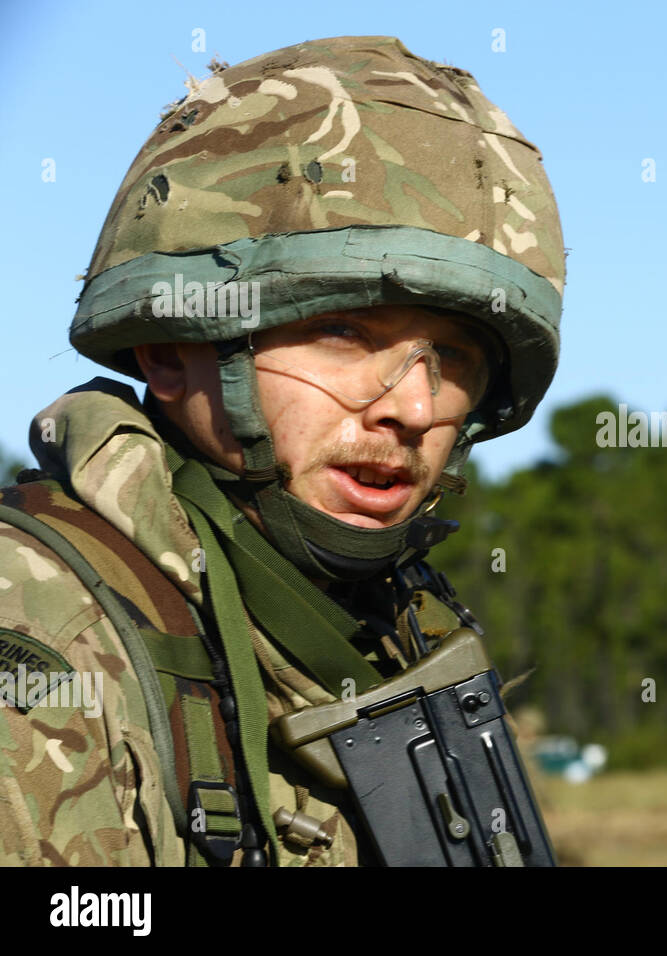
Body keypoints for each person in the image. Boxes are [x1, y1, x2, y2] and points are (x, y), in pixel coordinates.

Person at [0, 35, 565, 866]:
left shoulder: (403, 621)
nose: (412, 406)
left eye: (454, 359)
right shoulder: (43, 629)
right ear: (169, 344)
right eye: (341, 333)